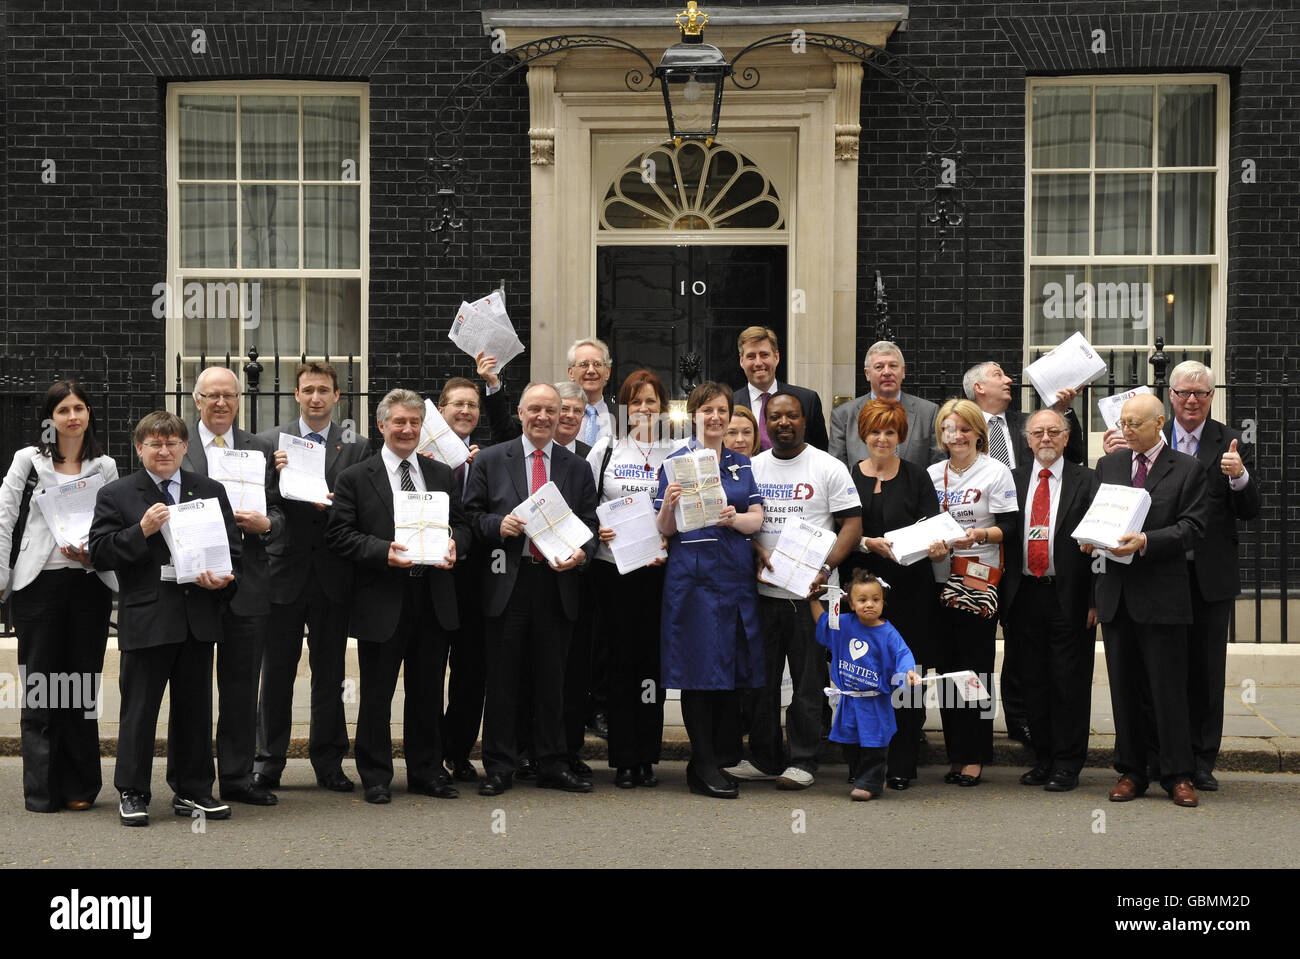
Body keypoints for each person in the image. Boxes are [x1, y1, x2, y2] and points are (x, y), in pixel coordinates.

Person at [88, 411, 240, 827]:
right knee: (139, 711)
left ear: (185, 447)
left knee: (194, 710)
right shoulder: (117, 494)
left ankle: (193, 791)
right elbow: (98, 553)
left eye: (172, 443)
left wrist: (223, 581)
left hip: (197, 616)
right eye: (154, 443)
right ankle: (133, 792)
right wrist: (142, 530)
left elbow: (233, 553)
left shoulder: (208, 490)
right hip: (148, 618)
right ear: (140, 449)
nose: (164, 450)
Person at [324, 389, 469, 804]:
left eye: (414, 422)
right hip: (382, 598)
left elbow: (462, 525)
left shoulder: (440, 474)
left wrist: (458, 543)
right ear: (382, 425)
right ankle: (375, 775)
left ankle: (427, 771)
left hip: (432, 597)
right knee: (377, 694)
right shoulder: (355, 476)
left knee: (427, 692)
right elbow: (340, 534)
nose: (407, 430)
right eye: (399, 422)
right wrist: (382, 552)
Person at [464, 383, 599, 797]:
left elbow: (590, 524)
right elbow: (470, 514)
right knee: (502, 681)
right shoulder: (490, 459)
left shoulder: (577, 467)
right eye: (534, 409)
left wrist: (583, 552)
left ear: (561, 415)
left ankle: (552, 763)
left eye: (551, 411)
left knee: (551, 680)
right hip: (509, 579)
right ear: (520, 413)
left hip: (557, 581)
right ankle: (501, 766)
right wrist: (496, 525)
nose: (543, 417)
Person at [254, 361, 371, 793]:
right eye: (309, 390)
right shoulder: (270, 443)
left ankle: (328, 761)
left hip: (333, 574)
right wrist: (275, 472)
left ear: (337, 397)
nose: (316, 397)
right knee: (277, 672)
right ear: (297, 396)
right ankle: (268, 762)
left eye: (324, 390)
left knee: (331, 674)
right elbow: (258, 503)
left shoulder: (356, 446)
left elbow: (365, 503)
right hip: (284, 570)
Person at [0, 381, 117, 813]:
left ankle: (79, 785)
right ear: (50, 419)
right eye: (63, 409)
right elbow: (4, 515)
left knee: (80, 685)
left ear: (89, 415)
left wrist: (93, 553)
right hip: (38, 587)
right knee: (42, 687)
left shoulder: (104, 466)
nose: (72, 416)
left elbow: (114, 523)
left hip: (88, 584)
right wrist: (1, 575)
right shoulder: (28, 462)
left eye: (79, 408)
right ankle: (42, 789)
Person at [1086, 393, 1208, 808]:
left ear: (1160, 423)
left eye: (1134, 424)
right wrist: (1091, 540)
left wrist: (1145, 543)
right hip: (1117, 595)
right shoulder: (1110, 465)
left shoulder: (1188, 468)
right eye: (1122, 423)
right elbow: (1097, 516)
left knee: (1168, 689)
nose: (1125, 431)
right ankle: (1131, 770)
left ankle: (1177, 774)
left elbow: (1192, 527)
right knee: (1124, 687)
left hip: (1163, 594)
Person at [739, 390, 862, 790]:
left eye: (791, 416)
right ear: (766, 423)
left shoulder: (828, 467)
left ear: (804, 421)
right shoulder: (753, 468)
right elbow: (743, 524)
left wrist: (826, 567)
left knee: (809, 682)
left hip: (814, 597)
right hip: (764, 594)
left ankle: (805, 760)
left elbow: (852, 525)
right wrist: (754, 549)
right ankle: (763, 756)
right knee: (761, 680)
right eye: (775, 418)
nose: (783, 424)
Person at [962, 360, 1083, 749]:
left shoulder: (1025, 425)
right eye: (998, 375)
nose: (1009, 380)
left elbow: (1068, 459)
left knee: (1044, 662)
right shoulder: (965, 428)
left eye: (1052, 431)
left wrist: (1063, 413)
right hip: (990, 562)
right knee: (1002, 655)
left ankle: (1041, 737)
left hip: (1042, 565)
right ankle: (1002, 730)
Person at [656, 382, 765, 798]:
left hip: (734, 575)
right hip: (693, 579)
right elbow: (663, 529)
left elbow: (757, 518)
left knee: (730, 668)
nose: (716, 418)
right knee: (697, 670)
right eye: (707, 411)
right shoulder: (674, 461)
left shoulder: (741, 463)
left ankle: (716, 758)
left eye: (722, 410)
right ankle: (702, 763)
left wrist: (734, 519)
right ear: (694, 416)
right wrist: (668, 503)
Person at [181, 366, 281, 807]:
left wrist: (267, 524)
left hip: (249, 582)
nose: (221, 403)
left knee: (241, 688)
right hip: (196, 582)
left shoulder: (259, 449)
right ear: (197, 400)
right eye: (212, 395)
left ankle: (238, 779)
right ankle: (195, 782)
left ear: (239, 401)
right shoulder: (176, 447)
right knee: (194, 689)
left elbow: (280, 512)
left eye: (229, 396)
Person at [1161, 361, 1260, 792]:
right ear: (1171, 395)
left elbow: (1251, 511)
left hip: (1209, 578)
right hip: (1159, 573)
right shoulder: (1150, 435)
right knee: (1163, 671)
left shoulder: (1230, 440)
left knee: (1206, 672)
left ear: (1211, 397)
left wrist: (1240, 478)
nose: (1191, 400)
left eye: (1200, 393)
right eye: (1183, 392)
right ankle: (1164, 756)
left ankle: (1202, 760)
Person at [837, 398, 940, 790]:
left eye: (890, 432)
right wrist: (865, 542)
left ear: (901, 436)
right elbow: (836, 526)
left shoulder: (917, 476)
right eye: (875, 431)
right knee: (859, 675)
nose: (882, 439)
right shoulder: (848, 475)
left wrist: (937, 545)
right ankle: (862, 762)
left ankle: (901, 762)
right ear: (864, 434)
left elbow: (933, 526)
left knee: (906, 674)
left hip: (909, 590)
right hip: (860, 589)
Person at [999, 409, 1100, 792]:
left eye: (1053, 432)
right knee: (1033, 682)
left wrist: (1094, 599)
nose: (1045, 438)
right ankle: (1043, 757)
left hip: (1069, 595)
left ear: (1066, 437)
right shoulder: (1012, 480)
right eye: (1038, 432)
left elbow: (1099, 543)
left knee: (1068, 681)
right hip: (1023, 594)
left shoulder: (1087, 480)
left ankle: (1068, 763)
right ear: (1027, 439)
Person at [925, 398, 1018, 787]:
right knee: (946, 670)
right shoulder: (931, 474)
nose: (957, 435)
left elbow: (1010, 527)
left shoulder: (995, 473)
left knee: (974, 669)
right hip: (938, 579)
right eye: (950, 428)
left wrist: (980, 534)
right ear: (941, 434)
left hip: (978, 582)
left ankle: (977, 755)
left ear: (979, 433)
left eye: (965, 428)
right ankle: (955, 752)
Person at [588, 369, 674, 788]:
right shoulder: (605, 450)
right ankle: (623, 757)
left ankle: (647, 757)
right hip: (613, 571)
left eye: (651, 401)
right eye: (636, 402)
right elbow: (584, 505)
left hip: (660, 572)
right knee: (620, 664)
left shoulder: (675, 452)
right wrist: (595, 530)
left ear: (663, 407)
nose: (644, 408)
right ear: (624, 408)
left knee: (651, 665)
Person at [809, 571, 920, 801]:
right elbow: (823, 624)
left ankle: (869, 782)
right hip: (849, 700)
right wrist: (812, 600)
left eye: (875, 600)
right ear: (851, 603)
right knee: (850, 743)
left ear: (883, 602)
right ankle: (868, 777)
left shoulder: (888, 633)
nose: (869, 604)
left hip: (875, 701)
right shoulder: (843, 624)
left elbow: (903, 654)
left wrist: (908, 672)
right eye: (862, 600)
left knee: (875, 743)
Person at [433, 376, 488, 782]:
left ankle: (459, 751)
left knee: (471, 673)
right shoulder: (421, 456)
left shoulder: (485, 460)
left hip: (476, 579)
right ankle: (431, 751)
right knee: (431, 671)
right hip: (432, 579)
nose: (465, 410)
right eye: (457, 404)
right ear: (441, 409)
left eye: (472, 405)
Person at [831, 340, 940, 469]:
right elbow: (837, 470)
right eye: (879, 367)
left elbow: (937, 469)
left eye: (893, 366)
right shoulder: (843, 415)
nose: (887, 372)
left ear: (903, 372)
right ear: (867, 374)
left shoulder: (928, 413)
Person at [731, 326, 829, 452]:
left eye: (764, 355)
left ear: (776, 357)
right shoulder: (730, 405)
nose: (758, 362)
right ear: (741, 361)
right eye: (751, 356)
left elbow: (820, 453)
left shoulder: (807, 400)